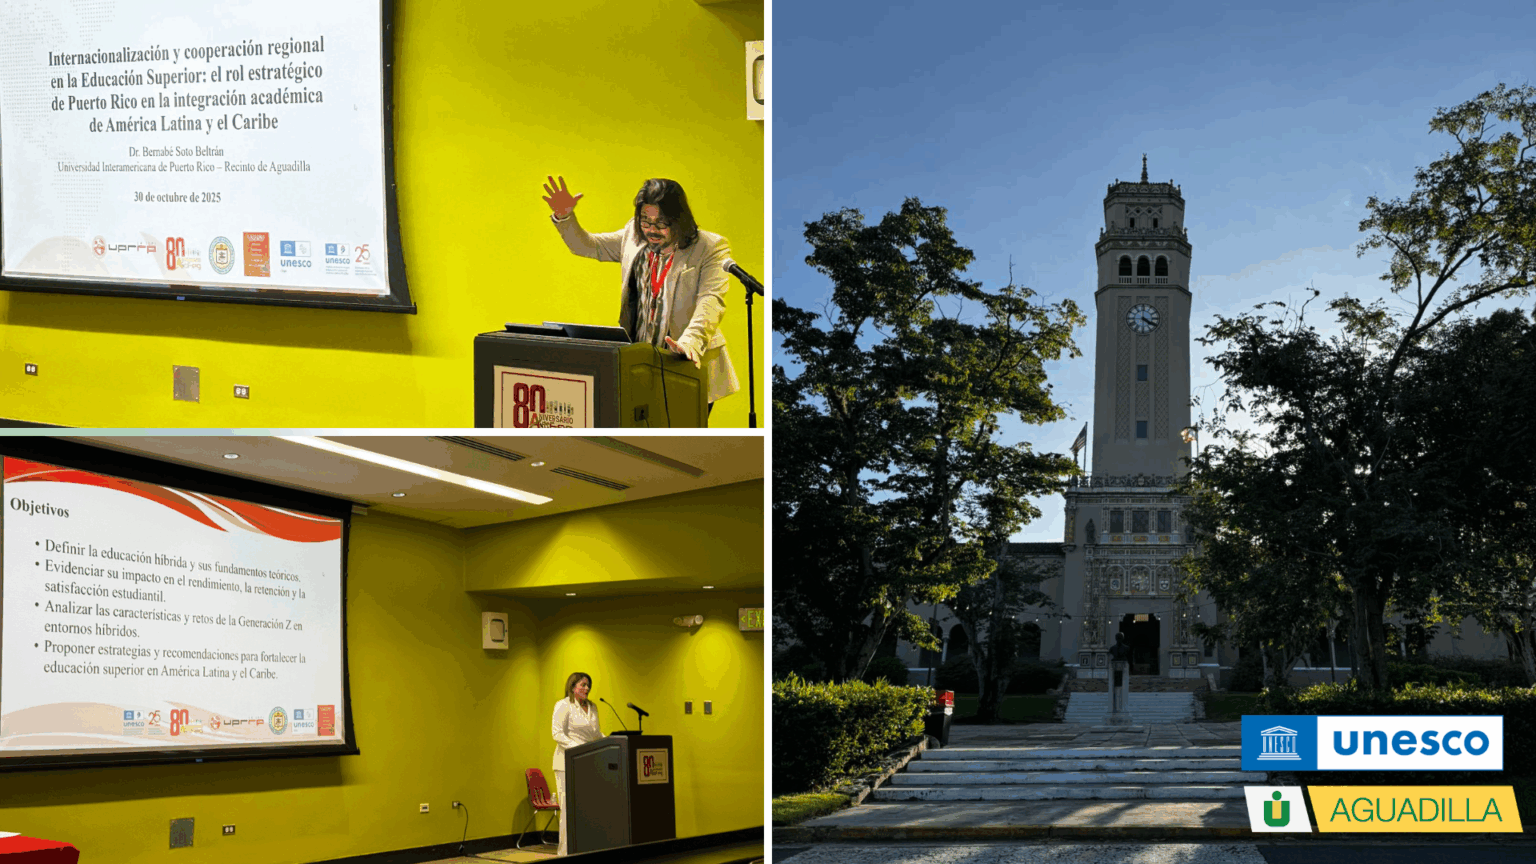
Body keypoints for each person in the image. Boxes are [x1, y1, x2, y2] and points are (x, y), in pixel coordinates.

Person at [542, 175, 740, 417]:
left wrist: (690, 343)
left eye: (662, 223)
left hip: (686, 363)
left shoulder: (709, 247)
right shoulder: (633, 235)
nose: (652, 230)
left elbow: (710, 301)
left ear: (680, 220)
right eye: (645, 221)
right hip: (641, 364)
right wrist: (565, 217)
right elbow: (588, 246)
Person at [550, 671, 602, 856]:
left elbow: (595, 735)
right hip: (566, 763)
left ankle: (584, 850)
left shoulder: (593, 707)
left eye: (588, 685)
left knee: (586, 809)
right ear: (573, 687)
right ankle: (565, 854)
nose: (587, 688)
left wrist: (612, 740)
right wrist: (578, 748)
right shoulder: (563, 705)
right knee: (569, 810)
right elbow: (557, 734)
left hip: (588, 762)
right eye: (583, 685)